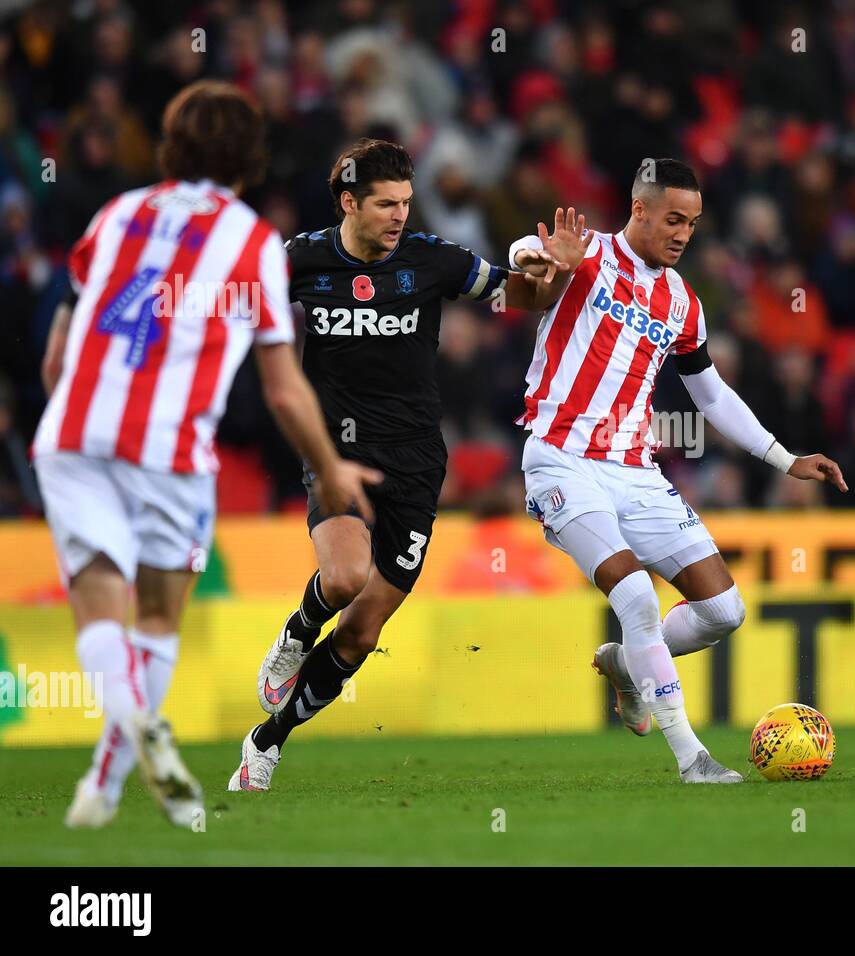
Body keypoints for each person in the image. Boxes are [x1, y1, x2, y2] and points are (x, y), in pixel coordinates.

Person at [35, 80, 379, 828]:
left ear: (171, 146)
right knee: (157, 619)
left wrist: (80, 415)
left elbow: (56, 359)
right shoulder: (252, 242)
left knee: (98, 603)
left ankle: (101, 791)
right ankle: (130, 743)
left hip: (71, 438)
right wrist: (329, 467)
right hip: (169, 452)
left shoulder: (116, 214)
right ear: (250, 157)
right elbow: (283, 390)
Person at [230, 138, 584, 791]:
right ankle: (297, 632)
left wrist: (553, 272)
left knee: (362, 633)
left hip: (417, 460)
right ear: (349, 203)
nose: (399, 216)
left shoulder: (433, 259)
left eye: (405, 203)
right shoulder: (301, 259)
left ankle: (267, 741)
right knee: (343, 579)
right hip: (337, 450)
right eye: (385, 204)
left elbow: (525, 298)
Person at [509, 158, 847, 783]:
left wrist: (785, 458)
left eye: (692, 223)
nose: (684, 234)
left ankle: (626, 663)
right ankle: (693, 759)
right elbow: (525, 258)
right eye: (673, 219)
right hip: (562, 460)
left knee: (724, 611)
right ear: (638, 209)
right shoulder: (585, 252)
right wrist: (534, 256)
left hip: (635, 471)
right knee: (637, 595)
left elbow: (711, 396)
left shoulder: (683, 303)